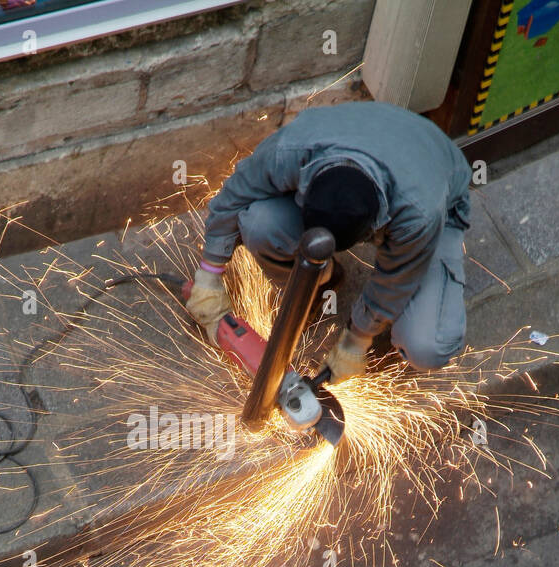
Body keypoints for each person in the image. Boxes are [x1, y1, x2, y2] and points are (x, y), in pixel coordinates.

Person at [186, 101, 472, 380]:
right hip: (363, 139)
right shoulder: (291, 151)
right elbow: (233, 198)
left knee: (427, 346)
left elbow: (395, 279)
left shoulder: (420, 213)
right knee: (259, 223)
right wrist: (209, 276)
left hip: (433, 182)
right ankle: (322, 282)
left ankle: (391, 336)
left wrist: (356, 341)